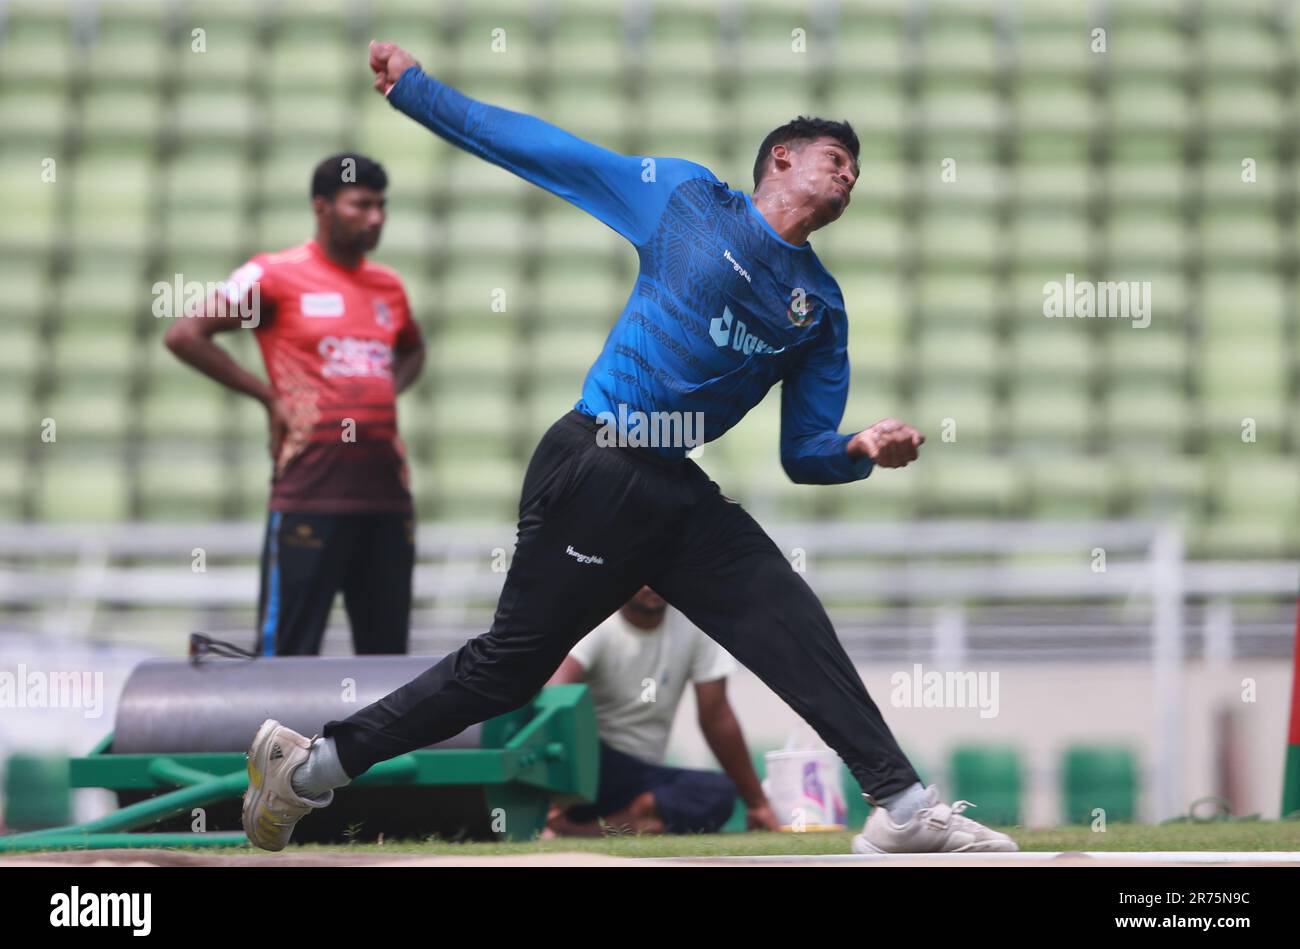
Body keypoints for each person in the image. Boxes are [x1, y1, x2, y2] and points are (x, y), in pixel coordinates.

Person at [240, 42, 1017, 855]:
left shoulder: (819, 308)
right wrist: (418, 91)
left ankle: (900, 805)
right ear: (780, 158)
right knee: (505, 670)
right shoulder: (685, 200)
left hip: (676, 492)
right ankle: (311, 770)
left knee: (786, 616)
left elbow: (804, 453)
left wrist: (859, 446)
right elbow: (546, 151)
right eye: (837, 159)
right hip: (596, 460)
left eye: (858, 171)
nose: (850, 176)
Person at [165, 153, 425, 657]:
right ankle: (276, 740)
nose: (377, 218)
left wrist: (384, 392)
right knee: (286, 656)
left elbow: (413, 348)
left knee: (387, 659)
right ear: (322, 208)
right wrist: (268, 397)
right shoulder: (275, 275)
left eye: (382, 206)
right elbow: (185, 334)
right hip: (310, 491)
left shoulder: (387, 287)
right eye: (362, 205)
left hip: (387, 496)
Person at [543, 587, 778, 836]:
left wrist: (757, 804)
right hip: (592, 768)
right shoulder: (597, 619)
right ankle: (625, 823)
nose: (653, 585)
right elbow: (555, 699)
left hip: (643, 781)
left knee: (719, 792)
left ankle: (608, 825)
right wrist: (556, 783)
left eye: (660, 574)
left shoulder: (694, 623)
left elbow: (716, 717)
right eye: (644, 576)